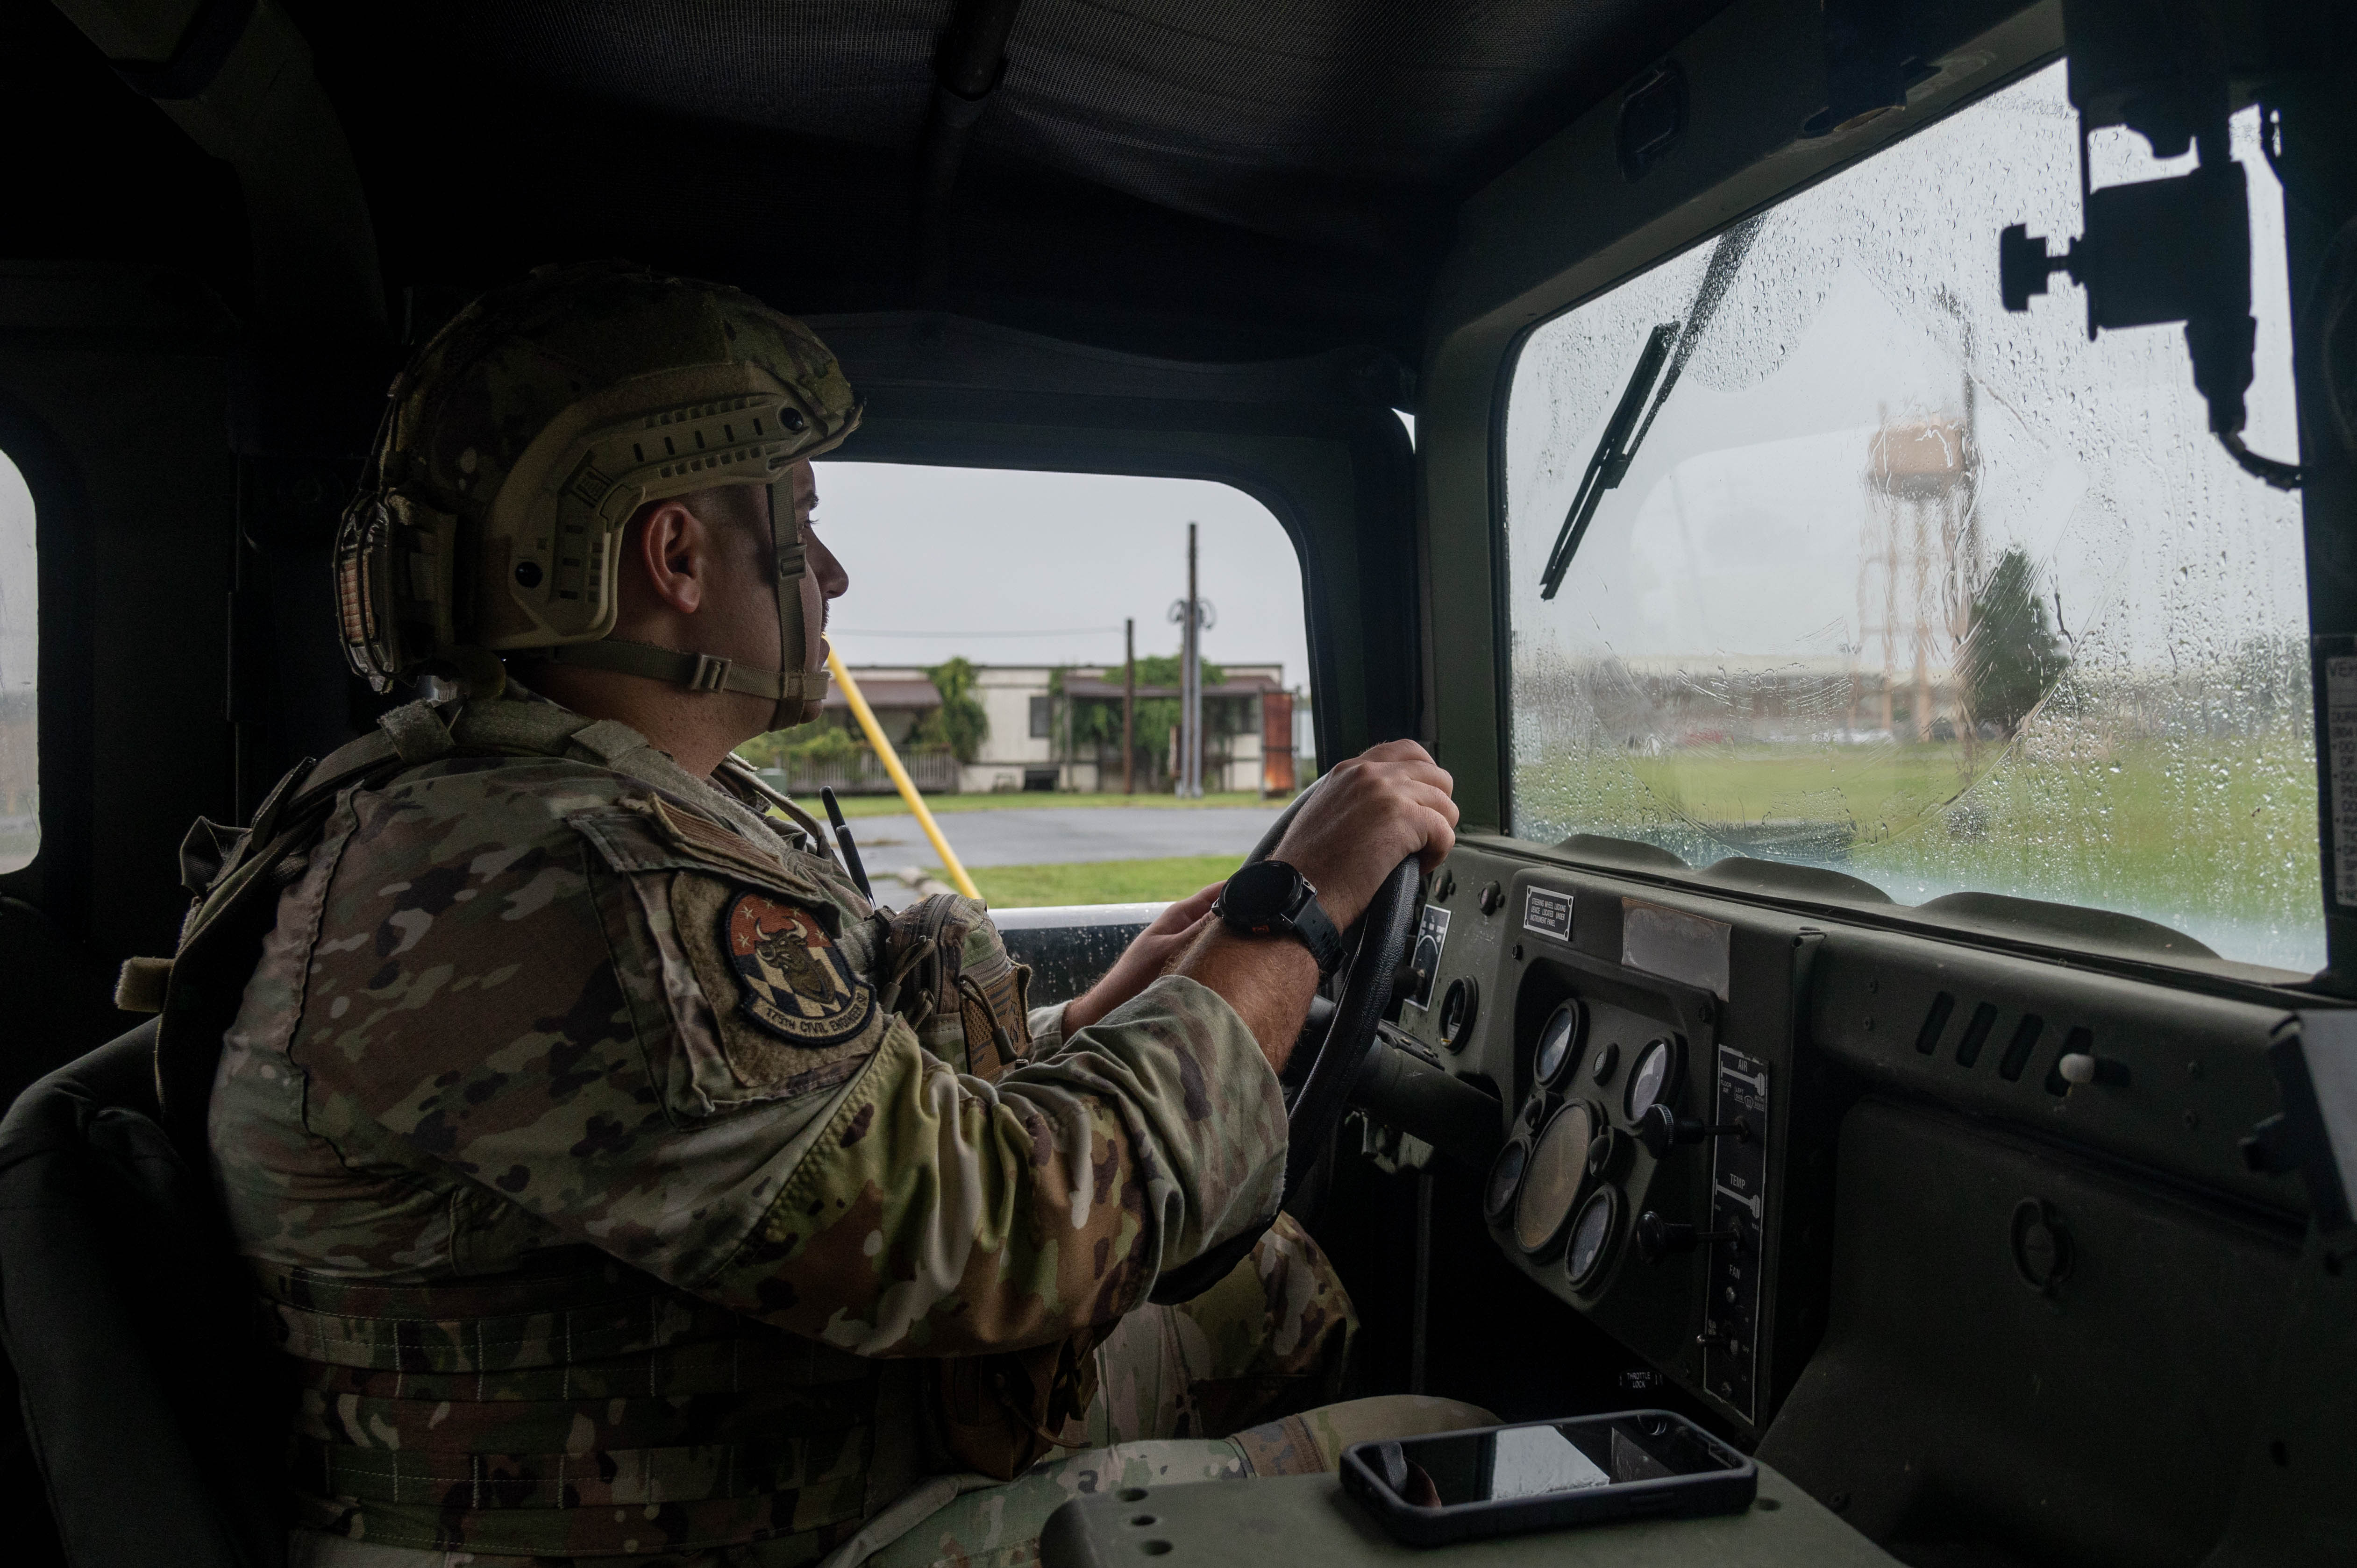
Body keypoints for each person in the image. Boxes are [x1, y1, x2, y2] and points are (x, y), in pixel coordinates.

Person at [199, 262, 1483, 1568]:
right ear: (676, 556)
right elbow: (1019, 1238)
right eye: (799, 519)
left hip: (770, 1439)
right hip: (744, 1521)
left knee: (1274, 1288)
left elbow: (828, 1124)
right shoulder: (571, 879)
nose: (832, 571)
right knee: (1449, 1450)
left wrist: (1102, 1018)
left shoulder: (545, 814)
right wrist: (1294, 908)